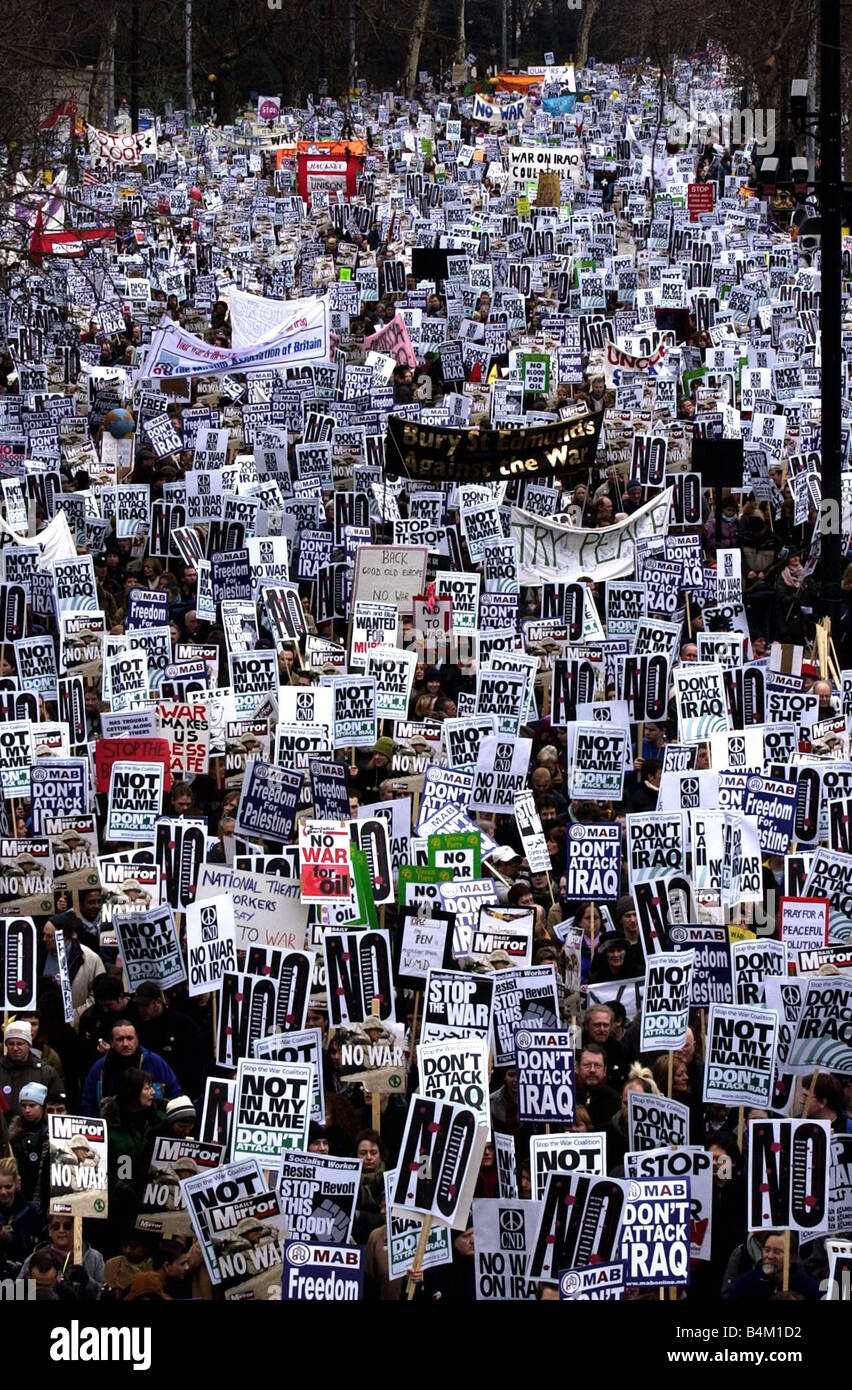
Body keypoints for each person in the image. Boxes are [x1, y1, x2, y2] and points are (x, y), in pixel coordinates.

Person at [81, 1019, 181, 1117]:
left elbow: (174, 1095)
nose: (125, 1044)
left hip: (151, 1125)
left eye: (129, 1038)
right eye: (120, 1039)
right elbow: (88, 1104)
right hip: (113, 1126)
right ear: (111, 1042)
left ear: (137, 1039)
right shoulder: (100, 1068)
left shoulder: (154, 1062)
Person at [727, 1230, 820, 1301]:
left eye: (777, 1252)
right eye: (767, 1250)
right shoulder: (744, 1285)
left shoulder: (809, 1288)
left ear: (793, 1257)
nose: (770, 1256)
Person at [0, 1021, 63, 1116]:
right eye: (11, 1044)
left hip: (36, 1128)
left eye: (20, 1044)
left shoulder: (46, 1072)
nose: (15, 1048)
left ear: (28, 1045)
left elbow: (58, 1105)